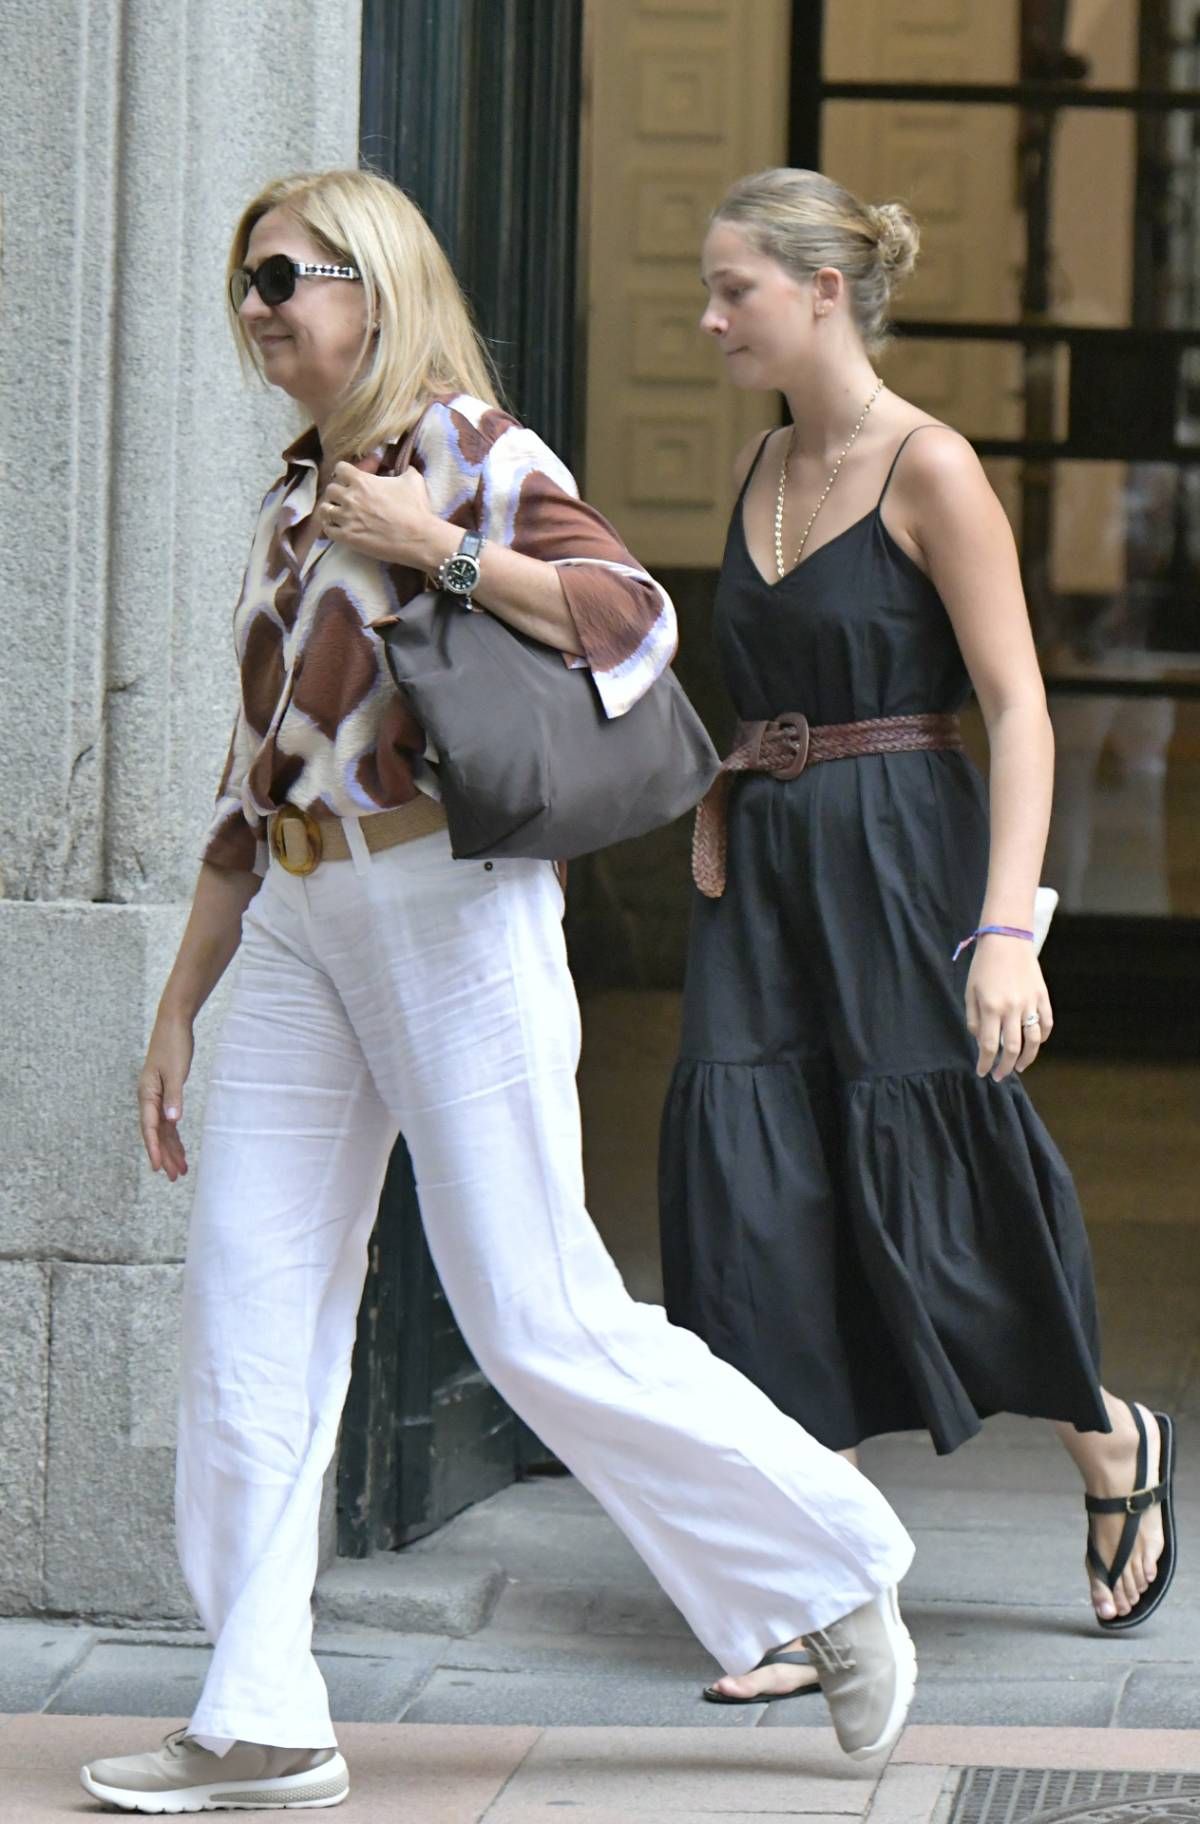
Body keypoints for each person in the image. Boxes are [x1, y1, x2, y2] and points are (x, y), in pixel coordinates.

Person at [79, 167, 919, 1814]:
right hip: (305, 927)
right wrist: (183, 998)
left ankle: (831, 1568)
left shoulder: (471, 449)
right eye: (244, 283)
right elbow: (255, 783)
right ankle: (258, 1713)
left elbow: (637, 619)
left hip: (452, 907)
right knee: (246, 1317)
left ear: (375, 285)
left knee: (536, 1316)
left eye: (287, 277)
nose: (258, 310)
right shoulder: (290, 501)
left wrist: (443, 549)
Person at [658, 168, 1178, 1708]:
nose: (707, 316)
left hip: (904, 854)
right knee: (763, 1200)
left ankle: (1106, 1430)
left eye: (732, 288)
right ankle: (825, 1589)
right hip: (767, 868)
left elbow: (1020, 711)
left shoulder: (929, 465)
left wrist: (1007, 928)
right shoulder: (759, 460)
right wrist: (725, 775)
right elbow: (761, 677)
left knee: (939, 1174)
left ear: (823, 290)